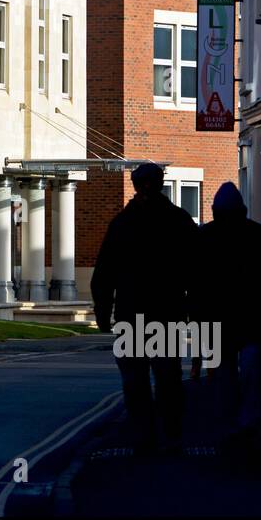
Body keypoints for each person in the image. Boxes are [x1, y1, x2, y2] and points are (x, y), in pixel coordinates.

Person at [91, 162, 198, 455]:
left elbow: (104, 271)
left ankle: (144, 436)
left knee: (136, 380)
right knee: (167, 378)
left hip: (131, 314)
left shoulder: (122, 224)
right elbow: (196, 272)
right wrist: (195, 310)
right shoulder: (178, 221)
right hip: (166, 313)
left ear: (136, 186)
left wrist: (103, 309)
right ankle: (171, 435)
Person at [194, 182, 261, 447]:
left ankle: (229, 421)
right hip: (251, 316)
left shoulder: (206, 236)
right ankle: (247, 419)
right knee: (250, 370)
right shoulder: (257, 234)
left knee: (225, 374)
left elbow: (195, 282)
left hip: (221, 318)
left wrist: (195, 317)